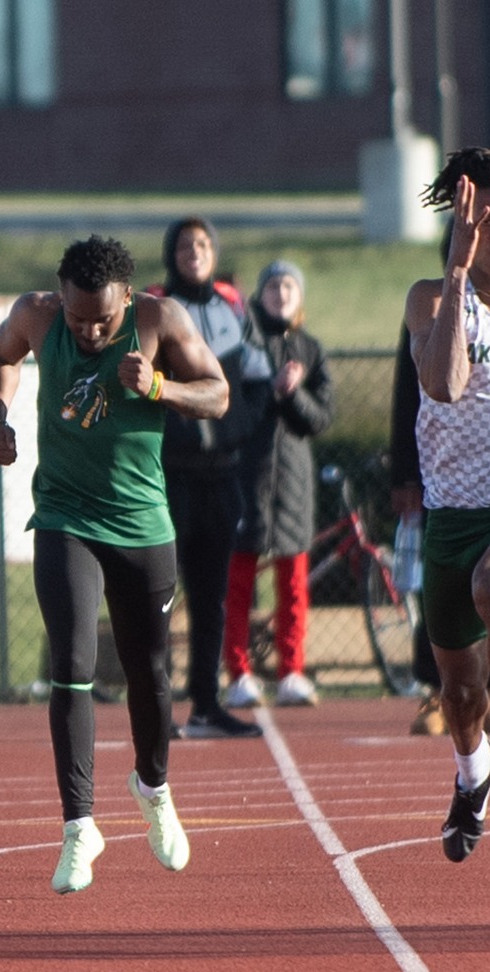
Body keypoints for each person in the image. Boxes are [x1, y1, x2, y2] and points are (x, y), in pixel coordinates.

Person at [0, 235, 227, 894]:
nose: (89, 331)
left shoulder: (158, 321)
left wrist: (161, 386)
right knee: (72, 660)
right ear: (59, 299)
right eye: (78, 317)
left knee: (149, 669)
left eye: (103, 319)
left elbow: (219, 394)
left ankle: (153, 789)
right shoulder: (36, 315)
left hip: (143, 525)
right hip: (66, 517)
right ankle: (79, 826)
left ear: (128, 298)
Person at [403, 147, 490, 863]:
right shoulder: (431, 297)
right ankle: (473, 772)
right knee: (459, 694)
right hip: (452, 514)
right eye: (488, 221)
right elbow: (444, 386)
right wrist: (454, 272)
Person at [145, 217, 265, 733]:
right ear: (171, 253)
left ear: (214, 253)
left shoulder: (231, 310)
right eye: (185, 245)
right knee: (161, 594)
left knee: (211, 595)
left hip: (223, 475)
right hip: (172, 476)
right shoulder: (154, 310)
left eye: (203, 244)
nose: (194, 252)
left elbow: (259, 380)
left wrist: (237, 426)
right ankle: (156, 706)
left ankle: (205, 703)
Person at [223, 260, 335, 712]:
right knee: (239, 581)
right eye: (272, 285)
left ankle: (292, 671)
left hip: (293, 478)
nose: (280, 293)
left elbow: (320, 418)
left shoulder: (310, 348)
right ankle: (238, 673)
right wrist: (271, 388)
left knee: (293, 583)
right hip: (246, 475)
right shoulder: (243, 344)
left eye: (288, 286)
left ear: (299, 295)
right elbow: (233, 406)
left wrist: (295, 393)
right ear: (260, 294)